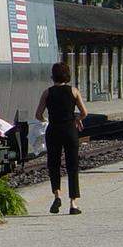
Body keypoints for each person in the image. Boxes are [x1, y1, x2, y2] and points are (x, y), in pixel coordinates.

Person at [35, 62, 88, 215]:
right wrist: (77, 118)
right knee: (72, 165)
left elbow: (38, 115)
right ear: (67, 75)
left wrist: (47, 120)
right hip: (70, 130)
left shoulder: (47, 93)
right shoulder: (74, 91)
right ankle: (73, 203)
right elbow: (84, 112)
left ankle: (57, 195)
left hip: (54, 130)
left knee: (53, 164)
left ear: (53, 76)